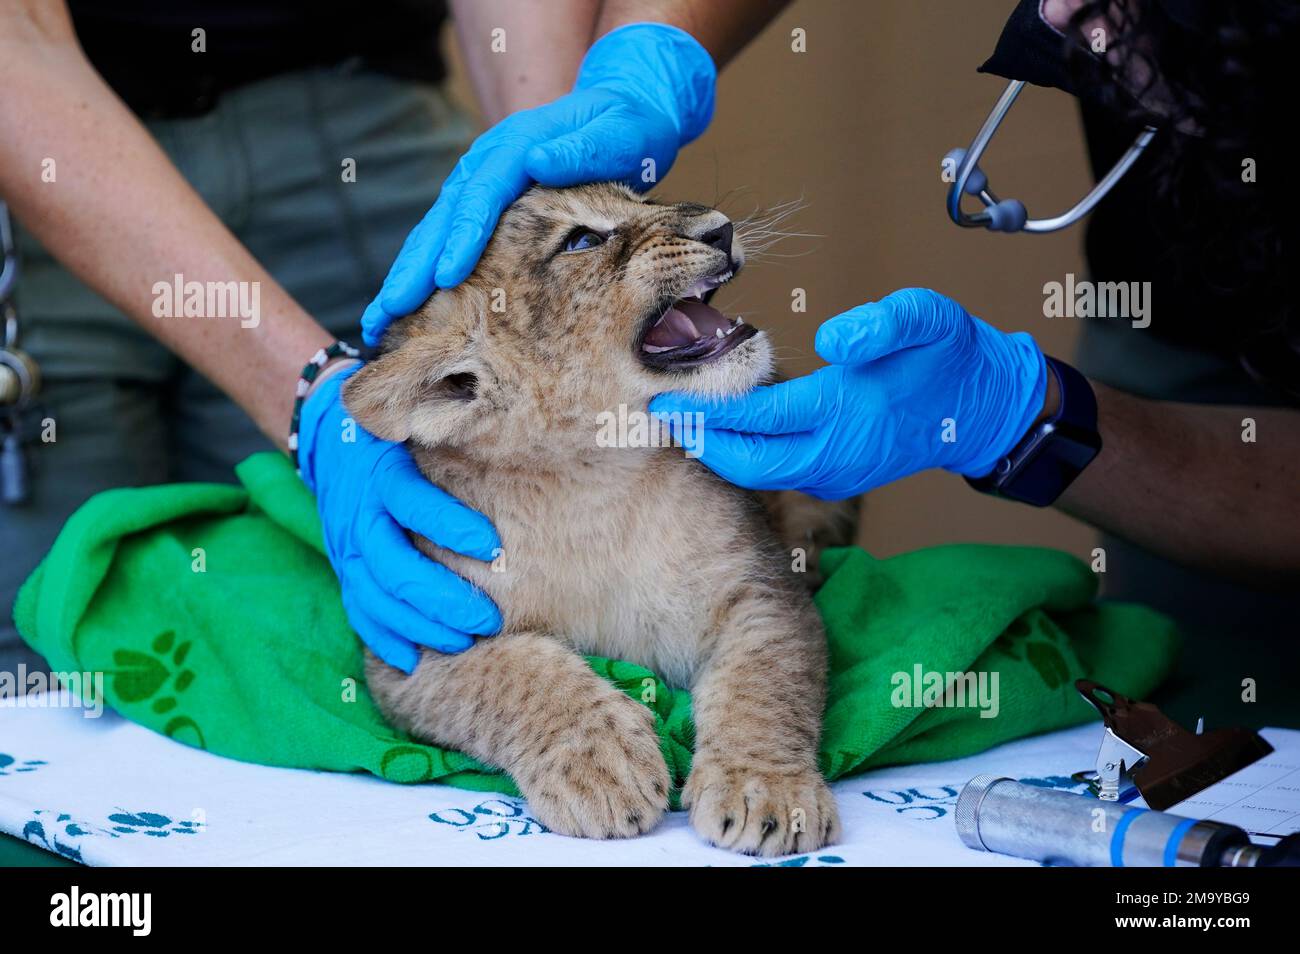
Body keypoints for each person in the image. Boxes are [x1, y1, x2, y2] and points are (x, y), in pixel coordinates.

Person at [359, 0, 1298, 725]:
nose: (1049, 15)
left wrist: (1019, 416)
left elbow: (764, 624)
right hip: (1188, 314)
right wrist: (654, 51)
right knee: (1208, 679)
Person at [0, 0, 783, 674]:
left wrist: (558, 192)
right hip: (44, 153)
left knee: (390, 621)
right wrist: (313, 394)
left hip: (354, 115)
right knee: (63, 657)